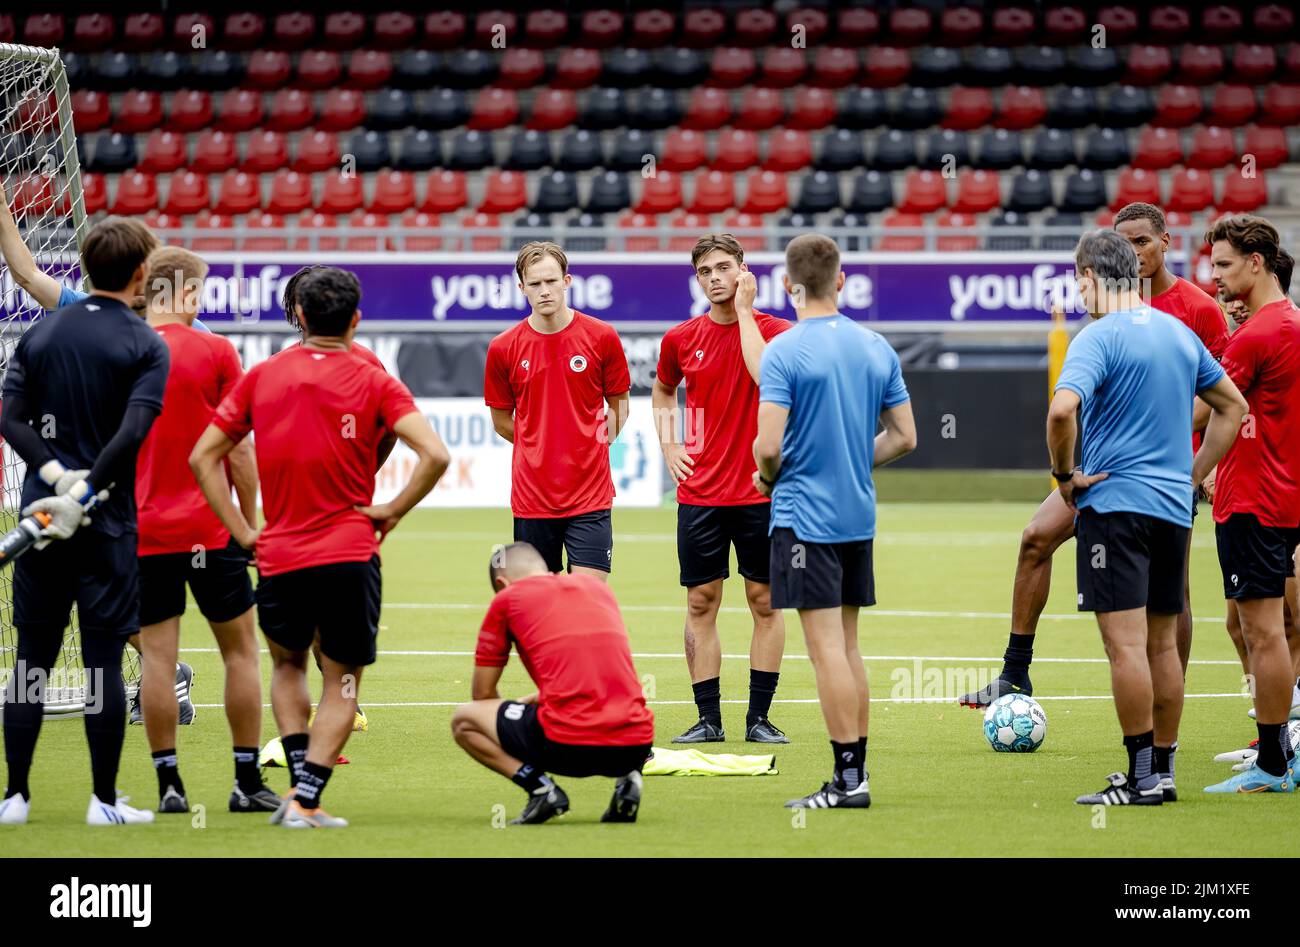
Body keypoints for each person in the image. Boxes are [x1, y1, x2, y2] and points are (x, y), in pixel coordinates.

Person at [190, 267, 449, 827]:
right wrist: (389, 510)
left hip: (279, 553)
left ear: (300, 317)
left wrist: (242, 530)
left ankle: (296, 793)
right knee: (344, 679)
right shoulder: (374, 378)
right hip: (350, 552)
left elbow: (203, 456)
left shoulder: (261, 376)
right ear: (356, 320)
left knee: (288, 667)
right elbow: (435, 454)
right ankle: (307, 797)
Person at [959, 202, 1230, 708]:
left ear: (1167, 242)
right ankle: (1015, 671)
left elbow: (1223, 398)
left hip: (1168, 470)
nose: (1134, 251)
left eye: (1143, 241)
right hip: (1100, 473)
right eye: (1125, 243)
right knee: (1036, 538)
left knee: (1174, 595)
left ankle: (1169, 697)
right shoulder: (1104, 321)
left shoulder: (1197, 311)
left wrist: (1201, 467)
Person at [1050, 230, 1246, 806]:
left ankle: (1138, 779)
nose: (1078, 290)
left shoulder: (1097, 337)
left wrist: (1065, 477)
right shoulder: (1179, 333)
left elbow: (1063, 408)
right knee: (1163, 643)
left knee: (1126, 647)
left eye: (1079, 279)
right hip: (1171, 510)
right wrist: (1192, 472)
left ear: (1090, 275)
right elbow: (1233, 405)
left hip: (1114, 509)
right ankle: (1161, 771)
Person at [0, 186, 201, 723]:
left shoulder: (185, 333)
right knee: (107, 602)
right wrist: (2, 211)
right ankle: (168, 677)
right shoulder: (89, 312)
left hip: (141, 485)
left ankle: (163, 683)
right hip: (105, 482)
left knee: (111, 605)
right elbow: (25, 275)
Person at [0, 217, 170, 826]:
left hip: (41, 518)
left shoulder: (44, 334)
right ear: (142, 273)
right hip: (108, 526)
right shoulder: (148, 344)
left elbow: (10, 418)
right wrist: (90, 487)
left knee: (30, 662)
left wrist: (54, 478)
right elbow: (133, 431)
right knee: (100, 659)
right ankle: (103, 801)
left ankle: (14, 797)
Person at [754, 234, 916, 809]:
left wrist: (769, 479)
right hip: (857, 516)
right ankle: (857, 773)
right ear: (841, 280)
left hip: (804, 519)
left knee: (825, 650)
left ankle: (848, 782)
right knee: (848, 647)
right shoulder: (875, 346)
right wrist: (849, 456)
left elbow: (768, 446)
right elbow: (906, 437)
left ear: (788, 286)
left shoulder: (784, 351)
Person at [133, 246, 279, 814]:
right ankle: (245, 783)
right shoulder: (216, 351)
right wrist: (250, 527)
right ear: (188, 292)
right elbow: (240, 448)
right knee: (240, 652)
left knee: (157, 660)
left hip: (143, 530)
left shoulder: (127, 350)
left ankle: (169, 787)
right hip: (211, 530)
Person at [653, 233, 791, 745]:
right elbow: (663, 389)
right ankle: (708, 720)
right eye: (704, 271)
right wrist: (670, 446)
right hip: (701, 493)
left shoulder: (777, 332)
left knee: (765, 602)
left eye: (722, 267)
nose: (714, 278)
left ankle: (759, 719)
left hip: (762, 491)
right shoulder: (680, 339)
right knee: (700, 601)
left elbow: (768, 375)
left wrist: (748, 313)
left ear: (743, 270)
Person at [1200, 215, 1300, 794]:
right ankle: (1279, 750)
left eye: (1223, 264)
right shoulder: (1288, 323)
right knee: (1260, 626)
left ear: (1256, 263)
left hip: (1251, 499)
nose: (1215, 277)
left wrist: (1185, 469)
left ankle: (1271, 764)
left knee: (1263, 631)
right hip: (1279, 496)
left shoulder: (1260, 334)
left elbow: (1213, 406)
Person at [450, 542, 655, 824]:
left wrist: (511, 716)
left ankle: (541, 789)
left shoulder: (507, 599)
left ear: (502, 583)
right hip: (637, 745)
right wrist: (541, 697)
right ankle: (629, 780)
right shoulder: (597, 588)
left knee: (464, 720)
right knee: (616, 701)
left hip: (567, 745)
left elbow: (483, 694)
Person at [280, 264, 395, 734]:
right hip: (303, 509)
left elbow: (391, 430)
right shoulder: (283, 365)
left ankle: (344, 700)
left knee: (338, 615)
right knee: (311, 620)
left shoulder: (366, 362)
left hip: (342, 510)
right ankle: (334, 701)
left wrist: (364, 472)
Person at [484, 242, 631, 578]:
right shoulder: (503, 348)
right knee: (539, 605)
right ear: (522, 288)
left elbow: (620, 405)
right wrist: (538, 447)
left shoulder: (602, 336)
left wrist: (590, 445)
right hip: (532, 498)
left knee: (588, 599)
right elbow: (502, 421)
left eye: (551, 281)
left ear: (567, 281)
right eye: (535, 284)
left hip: (590, 497)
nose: (544, 291)